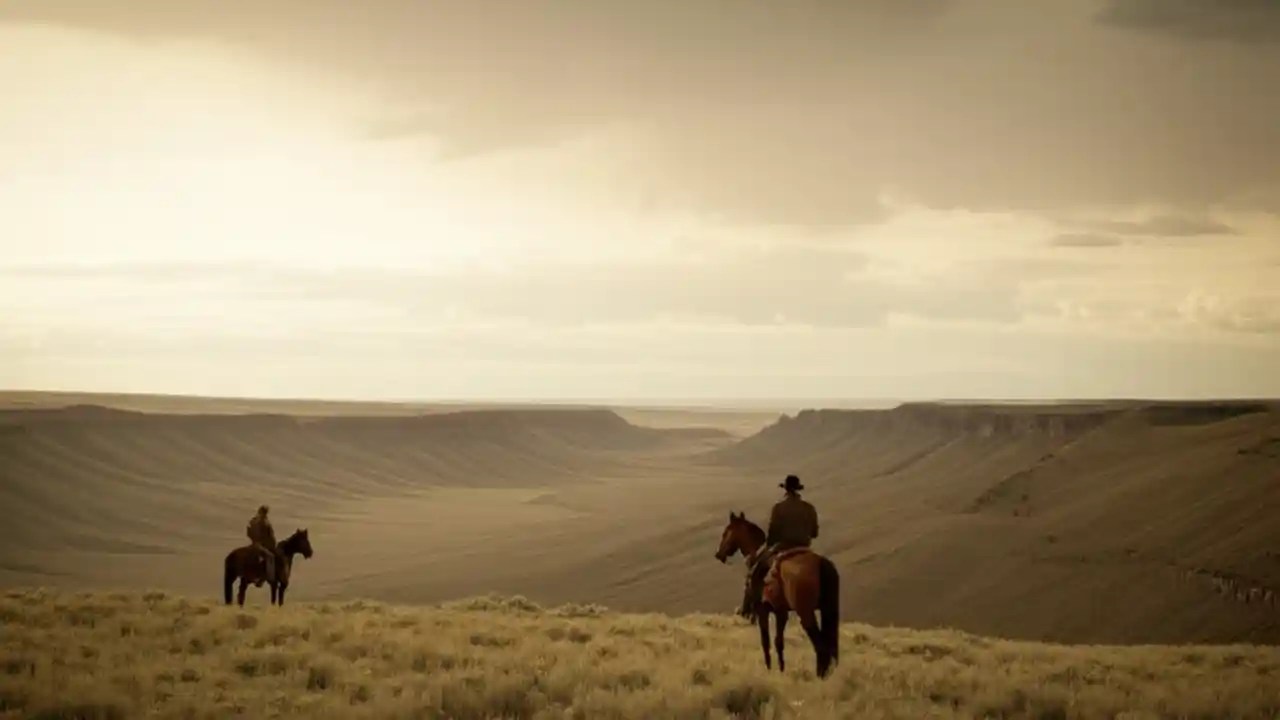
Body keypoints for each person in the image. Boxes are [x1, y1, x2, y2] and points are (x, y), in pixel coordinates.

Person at [740, 474, 819, 617]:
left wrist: (769, 546)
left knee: (755, 571)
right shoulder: (809, 508)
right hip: (805, 547)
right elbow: (814, 533)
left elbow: (772, 534)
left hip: (783, 546)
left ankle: (747, 609)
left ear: (785, 489)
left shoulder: (778, 507)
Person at [246, 504, 278, 586]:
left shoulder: (253, 520)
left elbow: (248, 532)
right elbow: (269, 535)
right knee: (270, 556)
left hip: (254, 543)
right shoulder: (263, 522)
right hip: (260, 545)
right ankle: (267, 578)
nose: (265, 514)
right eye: (265, 512)